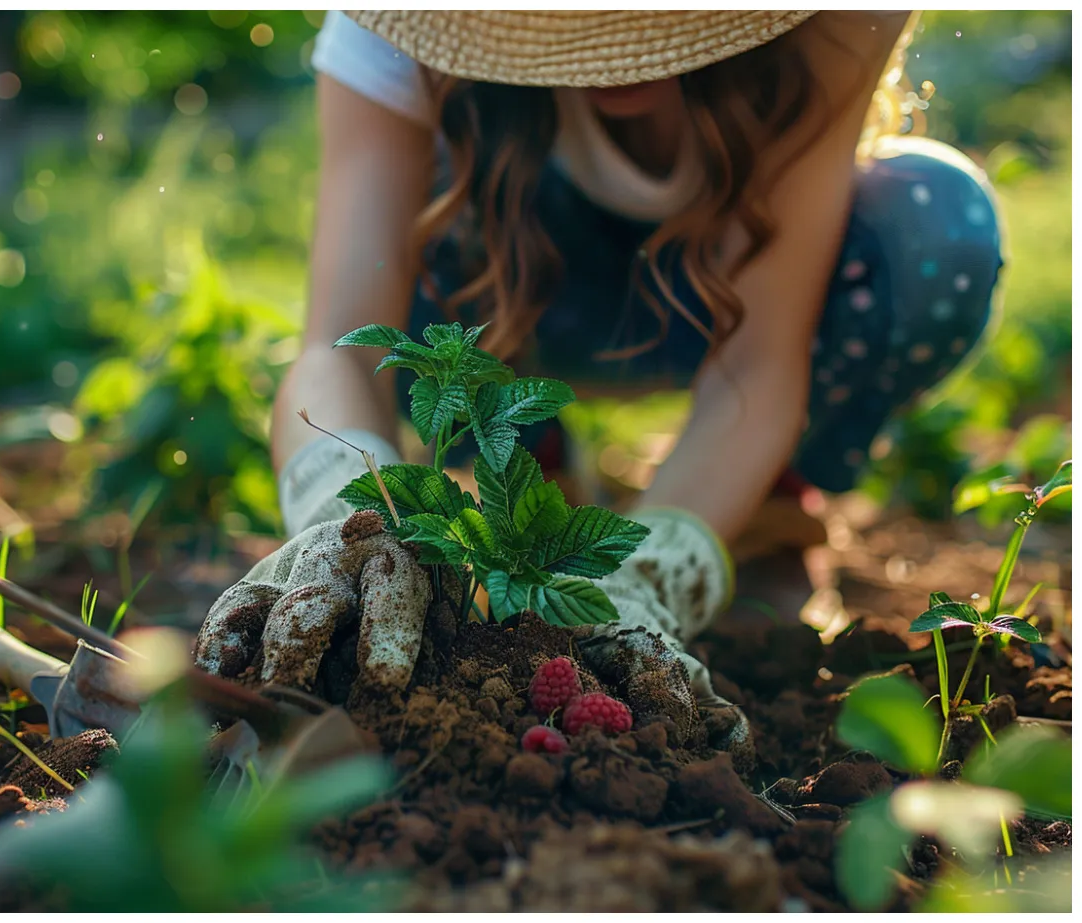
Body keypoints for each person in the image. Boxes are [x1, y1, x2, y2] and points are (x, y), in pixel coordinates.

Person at [199, 11, 1002, 731]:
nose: (617, 55)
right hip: (515, 292)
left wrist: (646, 577)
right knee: (408, 208)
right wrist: (344, 518)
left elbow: (761, 363)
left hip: (730, 301)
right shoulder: (400, 33)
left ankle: (760, 504)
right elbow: (338, 348)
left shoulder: (833, 22)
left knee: (935, 228)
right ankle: (527, 475)